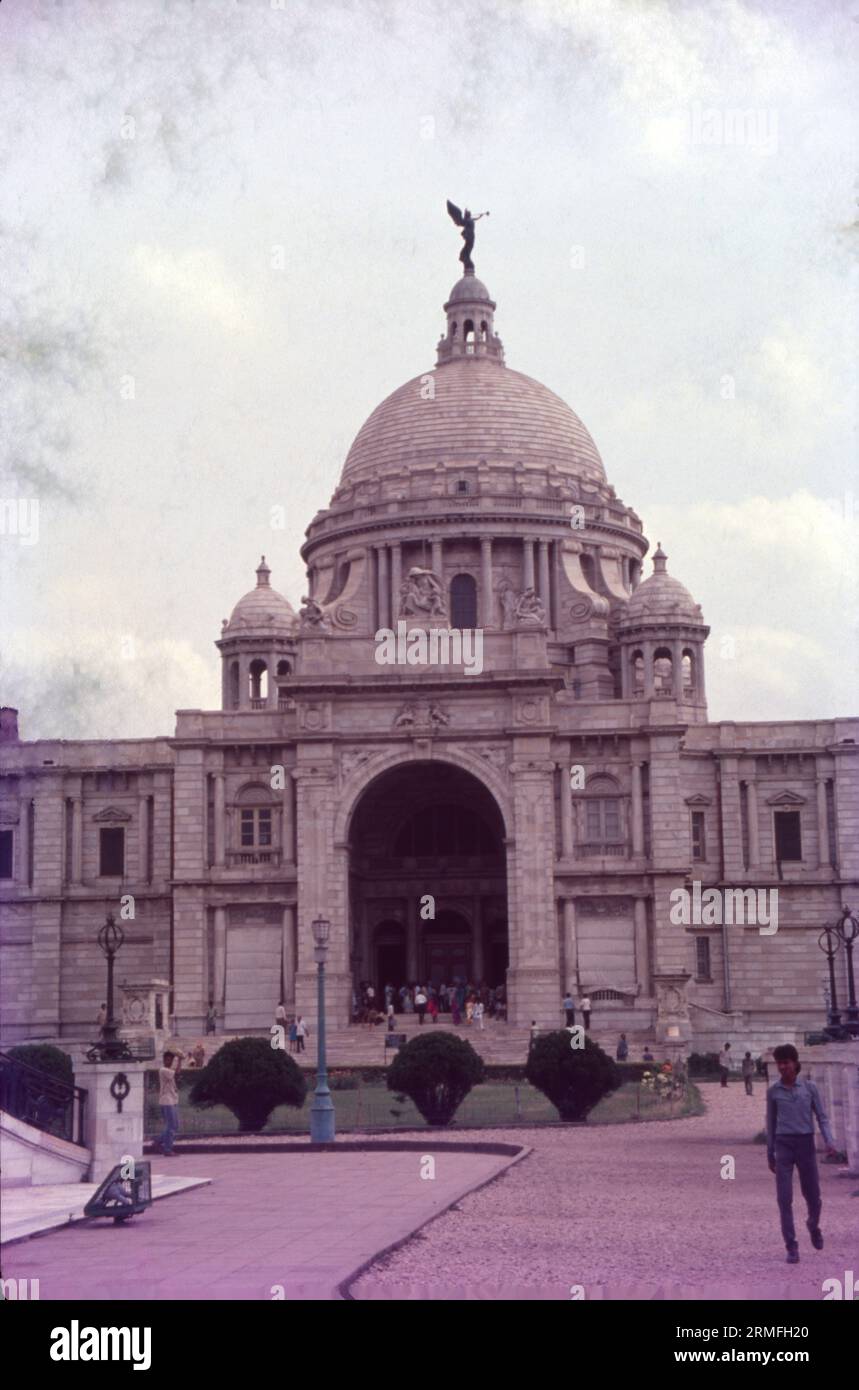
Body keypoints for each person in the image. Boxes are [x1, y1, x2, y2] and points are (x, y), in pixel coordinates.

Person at [766, 1043, 838, 1263]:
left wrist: (829, 1140)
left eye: (786, 1062)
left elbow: (822, 1116)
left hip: (805, 1144)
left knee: (814, 1197)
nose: (782, 1067)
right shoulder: (774, 1092)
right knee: (784, 1199)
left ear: (795, 1063)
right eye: (779, 1063)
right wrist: (770, 1152)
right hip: (783, 1146)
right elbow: (770, 1123)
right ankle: (791, 1246)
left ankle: (813, 1225)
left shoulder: (809, 1088)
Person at [157, 1049, 184, 1156]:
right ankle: (167, 1149)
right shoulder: (163, 1070)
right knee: (171, 1125)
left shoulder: (168, 1070)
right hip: (166, 1100)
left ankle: (158, 1141)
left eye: (171, 1060)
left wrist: (179, 1059)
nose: (169, 1062)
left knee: (175, 1125)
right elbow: (177, 1072)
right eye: (167, 1060)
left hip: (172, 1100)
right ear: (164, 1060)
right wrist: (180, 1060)